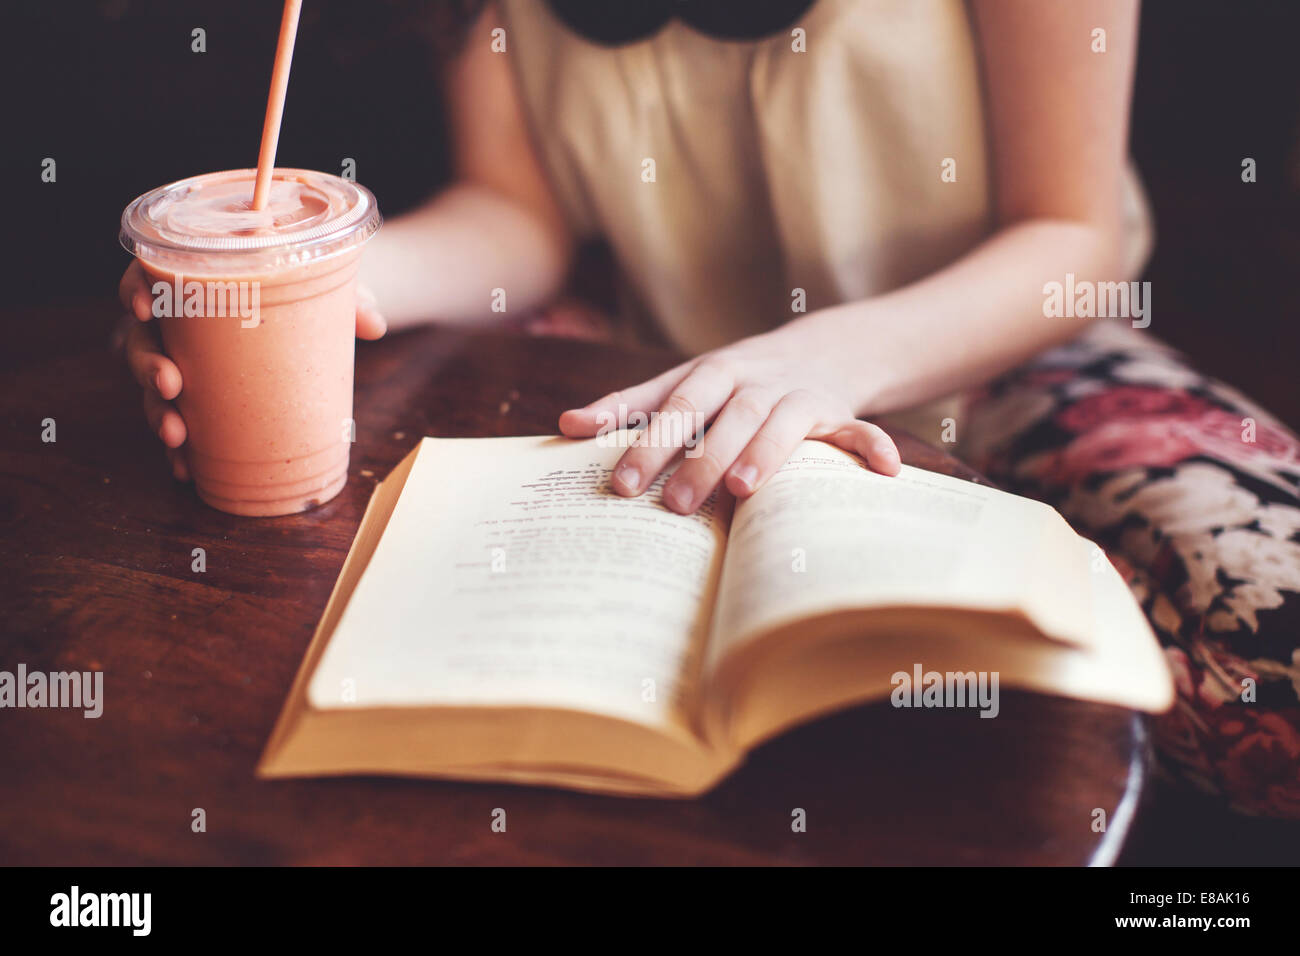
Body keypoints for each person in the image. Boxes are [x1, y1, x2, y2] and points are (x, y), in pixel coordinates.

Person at [118, 0, 1300, 816]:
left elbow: (1070, 230)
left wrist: (826, 356)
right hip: (667, 372)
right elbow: (513, 213)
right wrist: (317, 290)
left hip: (1005, 351)